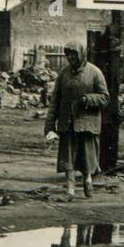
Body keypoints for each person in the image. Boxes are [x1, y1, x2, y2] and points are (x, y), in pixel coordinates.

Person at [44, 41, 110, 199]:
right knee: (68, 158)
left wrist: (88, 99)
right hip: (67, 123)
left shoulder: (94, 72)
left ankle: (87, 179)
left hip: (87, 123)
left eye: (74, 54)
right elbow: (55, 101)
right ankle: (70, 189)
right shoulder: (63, 74)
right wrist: (49, 126)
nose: (71, 57)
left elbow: (105, 97)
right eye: (68, 54)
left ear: (81, 54)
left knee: (86, 156)